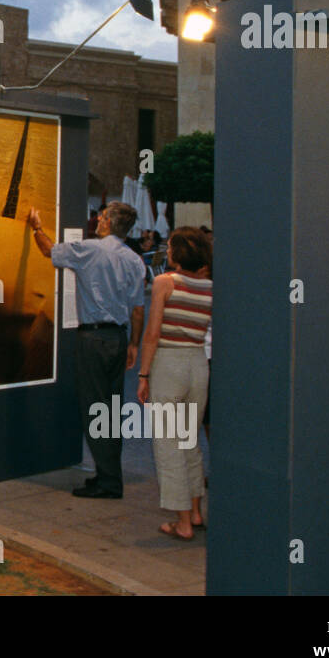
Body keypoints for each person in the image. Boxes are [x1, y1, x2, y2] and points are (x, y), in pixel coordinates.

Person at [28, 202, 146, 499]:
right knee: (111, 409)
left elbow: (48, 251)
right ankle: (108, 474)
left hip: (93, 338)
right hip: (118, 337)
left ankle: (108, 481)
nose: (97, 220)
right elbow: (138, 310)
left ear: (107, 222)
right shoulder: (134, 260)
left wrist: (36, 227)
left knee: (95, 407)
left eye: (102, 216)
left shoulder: (91, 250)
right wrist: (133, 344)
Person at [136, 227, 212, 541]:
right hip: (198, 362)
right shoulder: (210, 287)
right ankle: (195, 511)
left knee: (168, 443)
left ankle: (182, 522)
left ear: (177, 254)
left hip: (169, 362)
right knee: (189, 441)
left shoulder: (164, 282)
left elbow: (152, 333)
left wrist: (143, 374)